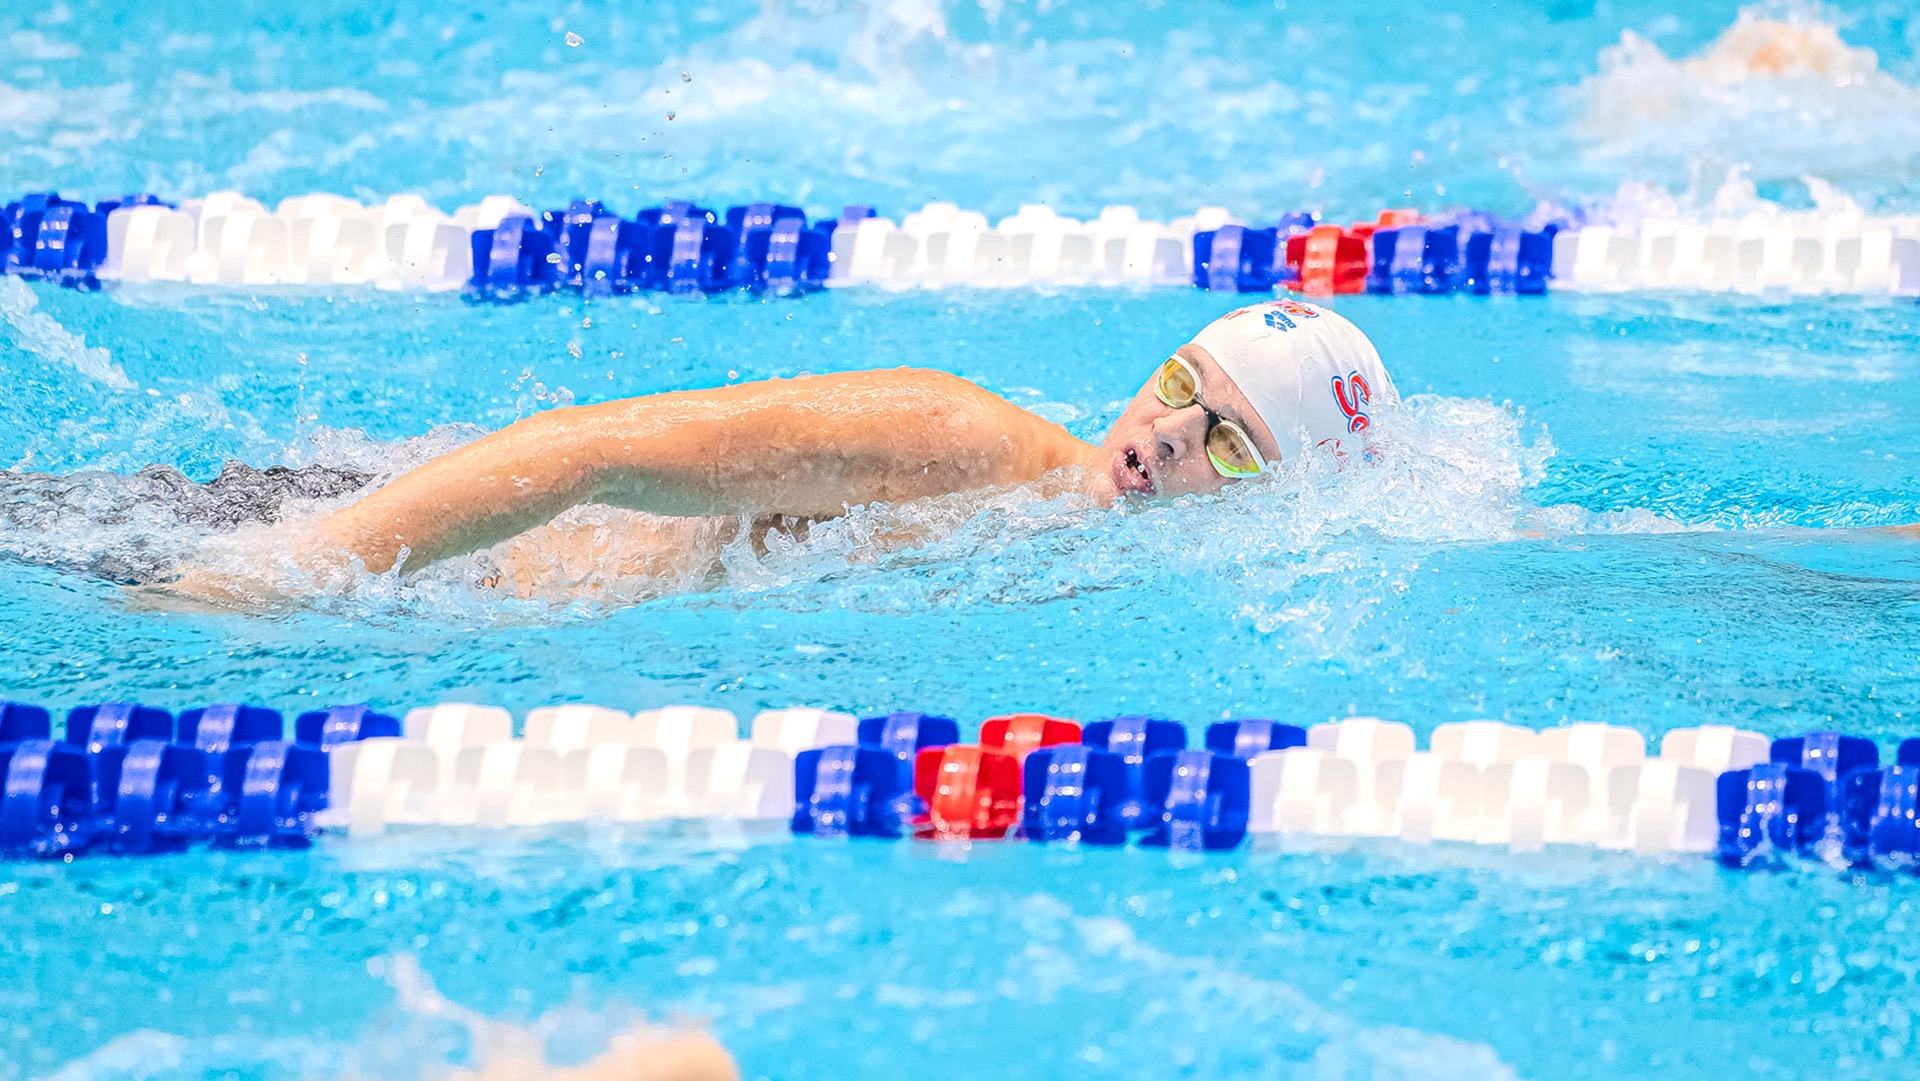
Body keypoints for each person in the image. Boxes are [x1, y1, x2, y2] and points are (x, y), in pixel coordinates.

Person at [154, 297, 1397, 604]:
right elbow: (580, 451)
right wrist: (280, 572)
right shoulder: (954, 438)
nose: (1167, 436)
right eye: (1183, 384)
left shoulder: (1064, 549)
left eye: (1231, 441)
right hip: (364, 547)